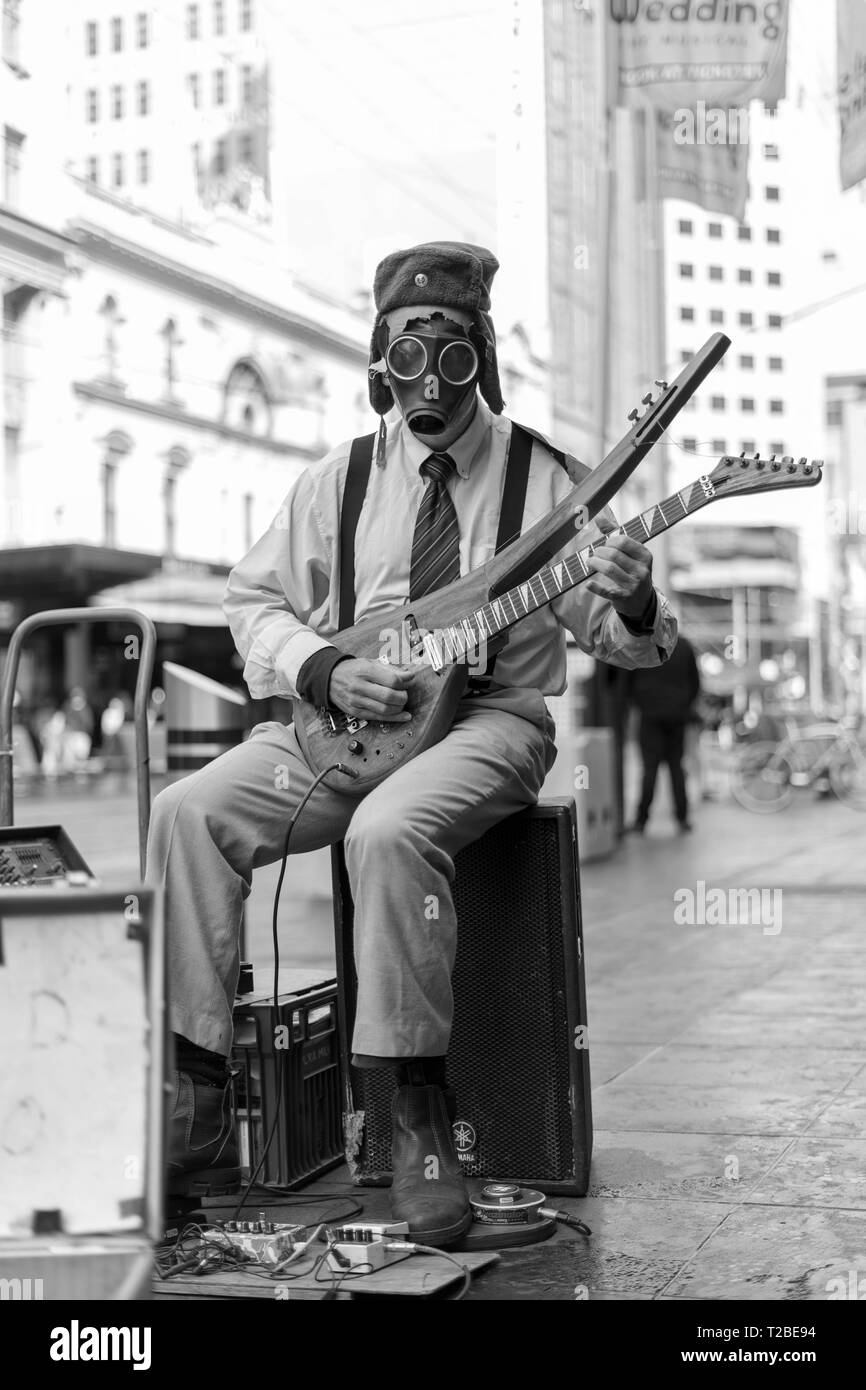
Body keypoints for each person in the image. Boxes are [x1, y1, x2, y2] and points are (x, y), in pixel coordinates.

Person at [146, 241, 677, 1246]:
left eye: (449, 358)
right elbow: (251, 597)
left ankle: (418, 1114)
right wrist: (318, 669)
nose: (424, 382)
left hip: (490, 721)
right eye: (402, 359)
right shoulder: (336, 480)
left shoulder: (547, 481)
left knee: (386, 833)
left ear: (479, 355)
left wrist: (632, 591)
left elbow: (629, 642)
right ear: (378, 365)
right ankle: (195, 1100)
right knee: (186, 812)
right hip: (346, 726)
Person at [627, 631, 700, 833]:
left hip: (650, 716)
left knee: (649, 769)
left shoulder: (641, 642)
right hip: (677, 715)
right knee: (677, 768)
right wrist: (683, 704)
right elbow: (695, 682)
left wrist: (640, 702)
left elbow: (629, 680)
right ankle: (682, 818)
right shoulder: (684, 644)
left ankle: (641, 821)